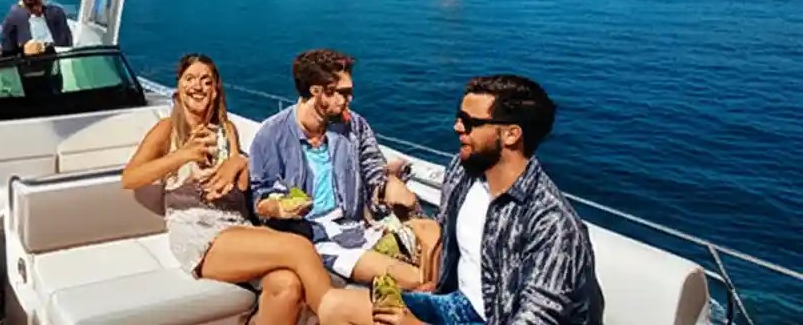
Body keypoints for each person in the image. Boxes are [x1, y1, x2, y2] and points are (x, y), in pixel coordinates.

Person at [122, 54, 379, 325]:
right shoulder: (166, 130)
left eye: (206, 81)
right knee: (298, 247)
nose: (198, 86)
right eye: (190, 79)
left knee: (287, 286)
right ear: (179, 86)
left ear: (215, 89)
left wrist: (239, 164)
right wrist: (183, 155)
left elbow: (244, 186)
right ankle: (336, 314)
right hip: (199, 231)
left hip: (238, 224)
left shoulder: (227, 130)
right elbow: (131, 178)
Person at [374, 75, 603, 325]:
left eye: (469, 122)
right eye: (459, 117)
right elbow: (454, 247)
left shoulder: (552, 224)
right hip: (464, 305)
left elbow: (537, 318)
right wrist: (438, 287)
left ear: (511, 135)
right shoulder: (462, 173)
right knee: (338, 306)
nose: (457, 127)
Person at [249, 49, 434, 289]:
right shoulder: (271, 135)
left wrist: (386, 187)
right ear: (317, 92)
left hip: (359, 229)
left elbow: (372, 168)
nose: (349, 100)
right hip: (314, 239)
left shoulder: (354, 125)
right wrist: (280, 207)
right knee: (416, 279)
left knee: (437, 254)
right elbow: (261, 197)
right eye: (343, 93)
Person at [0, 0, 72, 54]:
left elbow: (67, 43)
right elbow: (7, 51)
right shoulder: (13, 18)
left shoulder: (56, 13)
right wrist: (23, 51)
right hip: (31, 62)